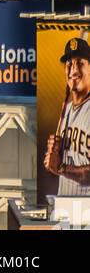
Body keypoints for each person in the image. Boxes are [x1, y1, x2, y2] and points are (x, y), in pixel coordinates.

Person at [43, 36, 90, 196]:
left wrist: (62, 168)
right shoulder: (67, 110)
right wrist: (55, 152)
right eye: (69, 64)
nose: (73, 70)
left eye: (80, 63)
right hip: (65, 208)